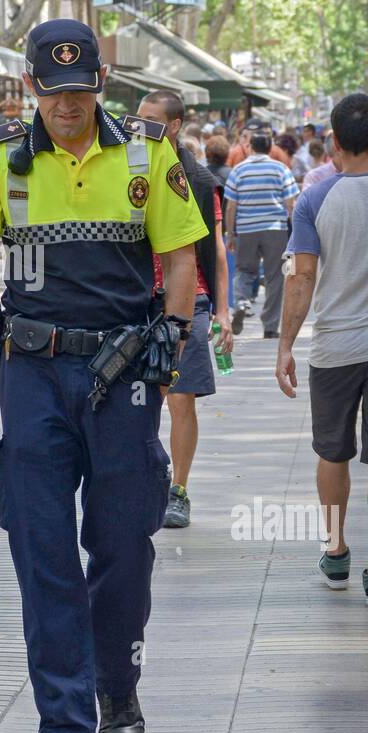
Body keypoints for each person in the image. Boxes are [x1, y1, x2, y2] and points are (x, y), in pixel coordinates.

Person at [0, 19, 207, 733]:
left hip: (121, 373)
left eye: (81, 90)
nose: (68, 105)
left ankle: (117, 682)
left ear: (101, 84)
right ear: (31, 88)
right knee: (44, 549)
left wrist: (175, 337)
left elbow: (182, 252)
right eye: (53, 93)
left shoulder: (147, 153)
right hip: (32, 372)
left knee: (124, 541)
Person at [276, 93, 368, 607]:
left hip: (334, 347)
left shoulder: (315, 200)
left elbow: (302, 279)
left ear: (333, 141)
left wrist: (286, 345)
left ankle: (336, 550)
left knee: (331, 451)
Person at [138, 91, 233, 529]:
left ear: (174, 126)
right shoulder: (128, 167)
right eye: (138, 119)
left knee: (180, 400)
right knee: (136, 401)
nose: (140, 126)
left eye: (151, 119)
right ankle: (139, 482)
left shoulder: (197, 179)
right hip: (137, 299)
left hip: (188, 300)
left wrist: (223, 312)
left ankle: (178, 489)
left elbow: (214, 248)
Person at [223, 131, 298, 338]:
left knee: (243, 271)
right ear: (270, 148)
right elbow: (290, 203)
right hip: (275, 228)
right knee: (275, 276)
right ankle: (270, 326)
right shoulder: (280, 169)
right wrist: (295, 232)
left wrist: (230, 233)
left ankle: (242, 302)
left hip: (247, 229)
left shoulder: (239, 170)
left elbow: (231, 207)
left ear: (250, 147)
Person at [227, 120, 292, 169]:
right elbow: (287, 168)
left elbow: (227, 172)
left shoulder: (235, 152)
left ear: (245, 134)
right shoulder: (276, 151)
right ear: (263, 132)